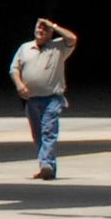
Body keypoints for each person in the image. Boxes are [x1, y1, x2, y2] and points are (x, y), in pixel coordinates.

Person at [8, 16, 77, 181]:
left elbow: (72, 38)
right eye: (39, 27)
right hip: (31, 99)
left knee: (49, 132)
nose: (41, 30)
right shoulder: (25, 48)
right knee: (38, 135)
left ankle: (46, 164)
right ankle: (47, 166)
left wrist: (53, 25)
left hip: (51, 98)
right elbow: (14, 68)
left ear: (51, 33)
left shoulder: (58, 47)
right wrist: (19, 84)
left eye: (45, 29)